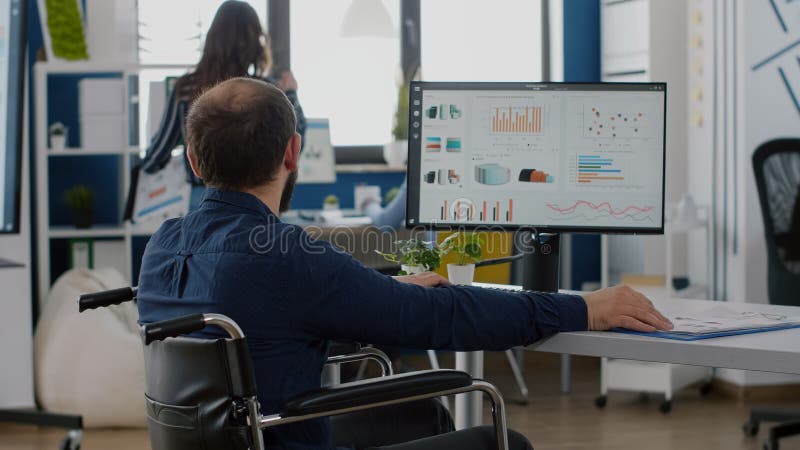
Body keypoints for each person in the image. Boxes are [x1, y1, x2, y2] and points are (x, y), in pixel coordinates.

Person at [137, 78, 673, 450]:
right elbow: (445, 318)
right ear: (292, 153)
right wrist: (584, 308)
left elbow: (274, 319)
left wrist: (378, 289)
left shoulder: (161, 248)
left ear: (193, 159)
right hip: (288, 436)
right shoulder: (289, 257)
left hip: (243, 436)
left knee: (422, 417)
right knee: (506, 442)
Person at [139, 0, 306, 210]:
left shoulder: (186, 89)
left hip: (204, 199)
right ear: (255, 42)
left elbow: (157, 154)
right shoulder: (268, 91)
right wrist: (291, 94)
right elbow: (295, 143)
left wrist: (147, 166)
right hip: (260, 200)